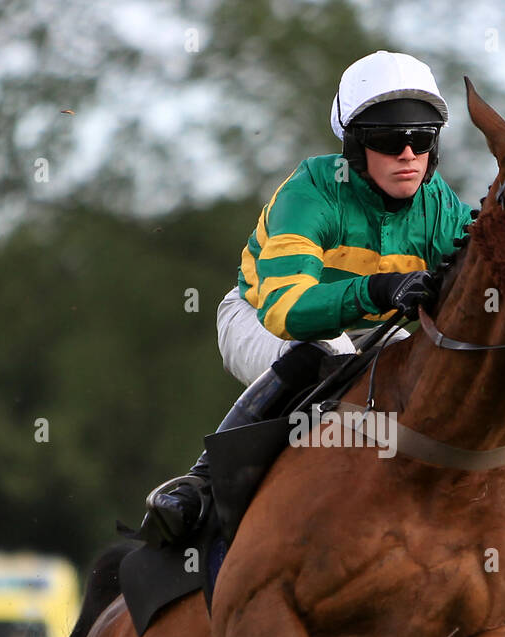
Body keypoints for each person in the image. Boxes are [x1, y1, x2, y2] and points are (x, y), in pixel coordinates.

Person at [138, 50, 476, 546]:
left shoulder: (439, 205)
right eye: (388, 139)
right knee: (329, 355)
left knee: (423, 368)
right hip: (258, 317)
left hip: (369, 333)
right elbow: (287, 309)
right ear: (356, 147)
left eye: (420, 138)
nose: (407, 154)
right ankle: (200, 484)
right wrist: (378, 288)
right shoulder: (312, 191)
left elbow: (489, 280)